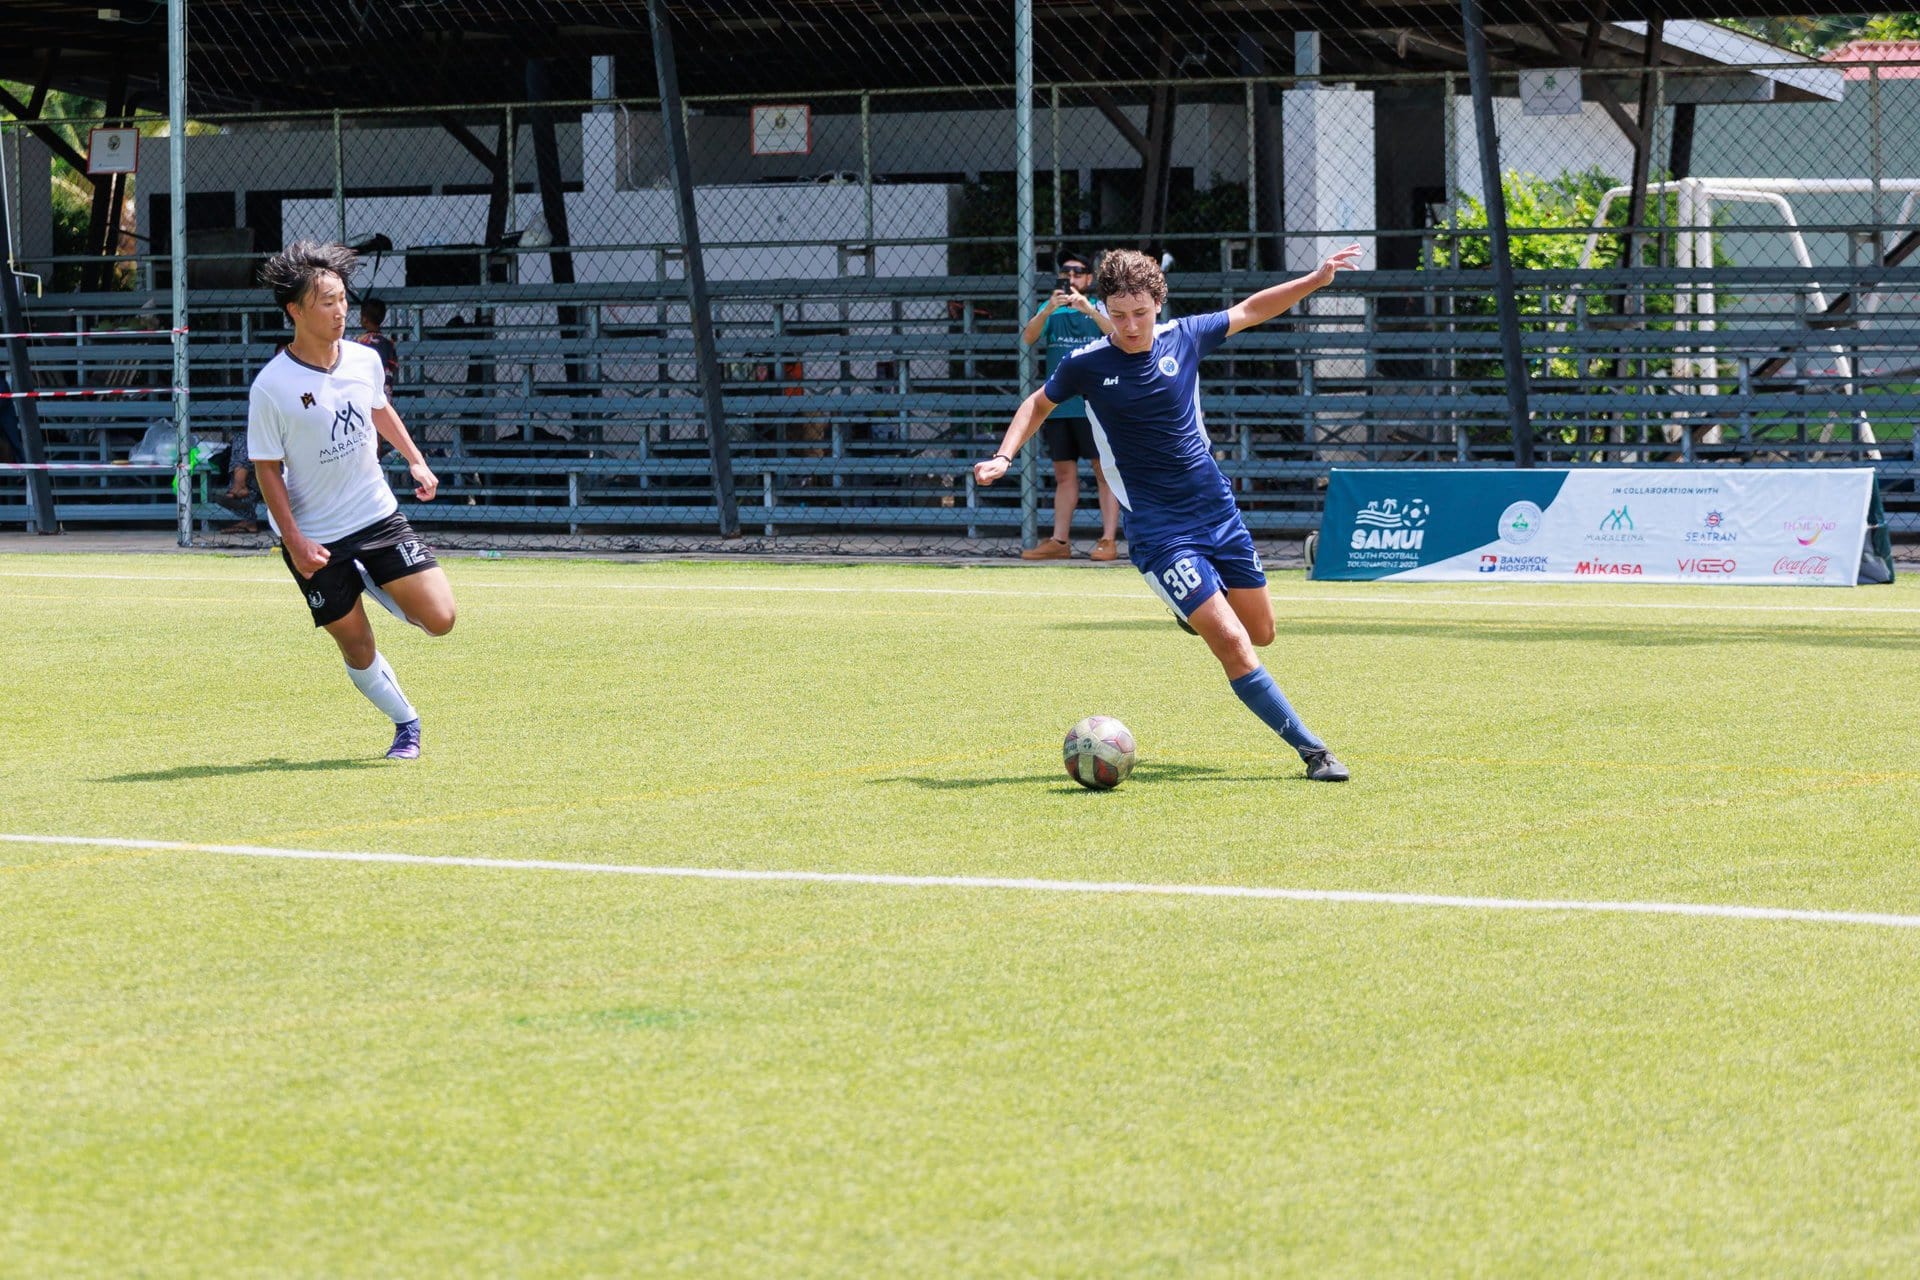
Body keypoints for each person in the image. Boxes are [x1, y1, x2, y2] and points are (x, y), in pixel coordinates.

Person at [974, 245, 1364, 782]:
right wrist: (1003, 456)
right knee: (1229, 641)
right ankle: (1313, 750)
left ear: (1158, 303)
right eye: (1118, 313)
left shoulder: (1185, 335)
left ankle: (1192, 606)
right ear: (1104, 308)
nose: (1130, 326)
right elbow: (1037, 404)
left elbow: (1253, 308)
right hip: (1160, 530)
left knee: (1262, 632)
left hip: (1216, 510)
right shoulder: (1086, 363)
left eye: (1140, 312)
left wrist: (1315, 281)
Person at [249, 241, 457, 760]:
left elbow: (379, 408)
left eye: (342, 298)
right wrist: (294, 540)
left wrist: (415, 459)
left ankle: (371, 575)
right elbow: (266, 469)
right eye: (325, 301)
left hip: (376, 516)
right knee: (357, 645)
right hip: (314, 538)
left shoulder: (364, 359)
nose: (340, 310)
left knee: (441, 619)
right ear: (294, 310)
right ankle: (406, 724)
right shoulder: (272, 386)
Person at [1018, 253, 1121, 560]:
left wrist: (1089, 311)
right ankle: (1059, 541)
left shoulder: (1099, 307)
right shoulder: (1050, 308)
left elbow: (1116, 335)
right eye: (1066, 272)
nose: (1072, 277)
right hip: (1059, 405)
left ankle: (1108, 540)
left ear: (1090, 279)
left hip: (1094, 405)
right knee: (1064, 475)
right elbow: (1029, 337)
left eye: (1079, 272)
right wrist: (1049, 308)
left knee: (1104, 473)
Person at [352, 296, 399, 391]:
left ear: (364, 319)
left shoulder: (358, 341)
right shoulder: (388, 343)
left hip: (363, 389)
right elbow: (394, 367)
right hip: (384, 390)